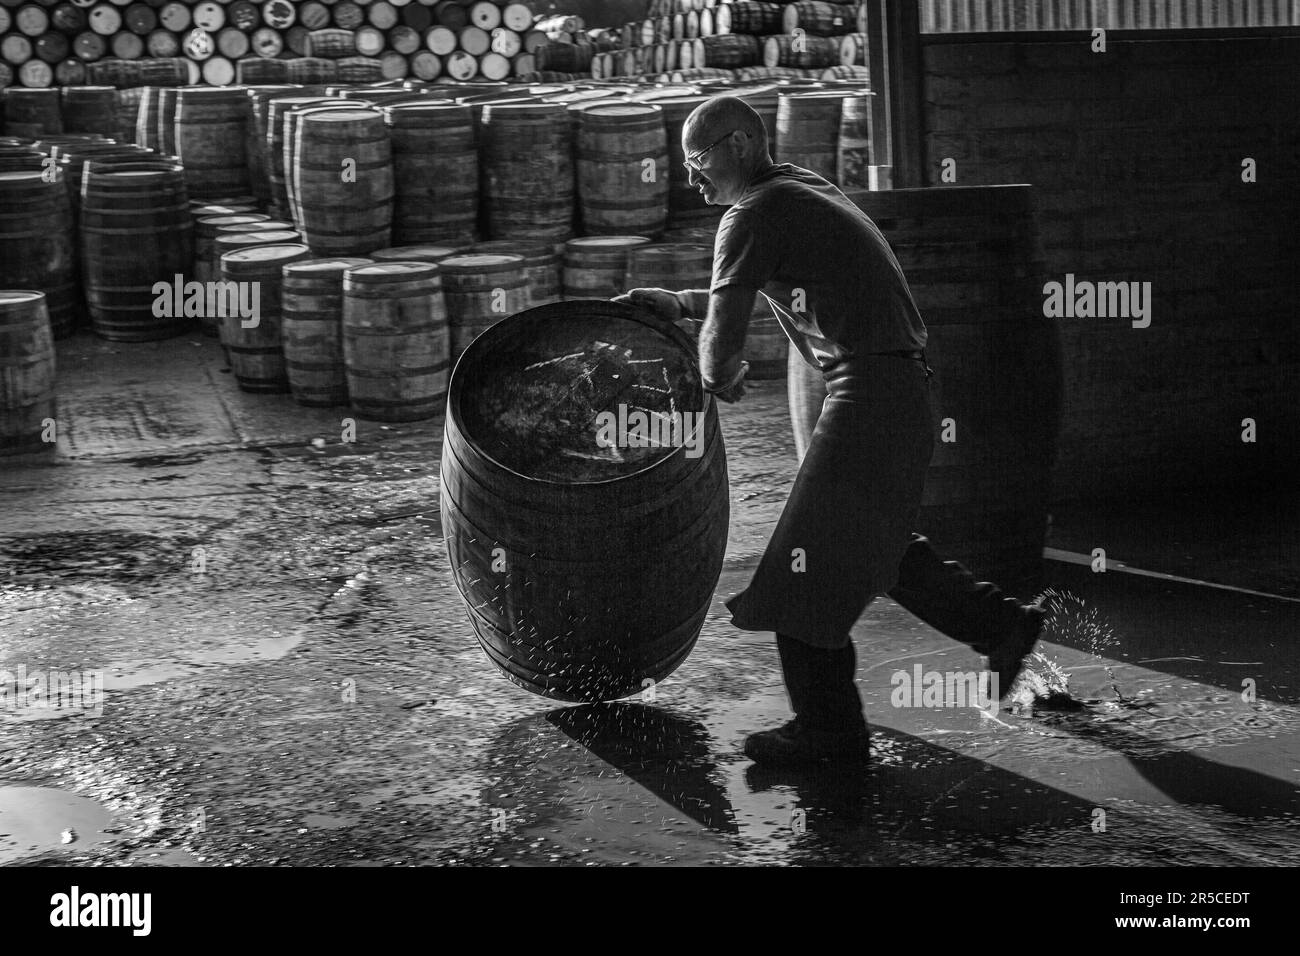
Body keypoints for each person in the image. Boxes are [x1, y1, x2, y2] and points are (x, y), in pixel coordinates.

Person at [614, 96, 1045, 767]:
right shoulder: (800, 189)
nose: (693, 181)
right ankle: (1004, 626)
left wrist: (713, 371)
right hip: (899, 386)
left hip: (869, 392)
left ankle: (830, 734)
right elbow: (771, 288)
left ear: (741, 142)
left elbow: (722, 343)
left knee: (800, 569)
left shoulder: (752, 212)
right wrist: (678, 303)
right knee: (877, 545)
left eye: (699, 163)